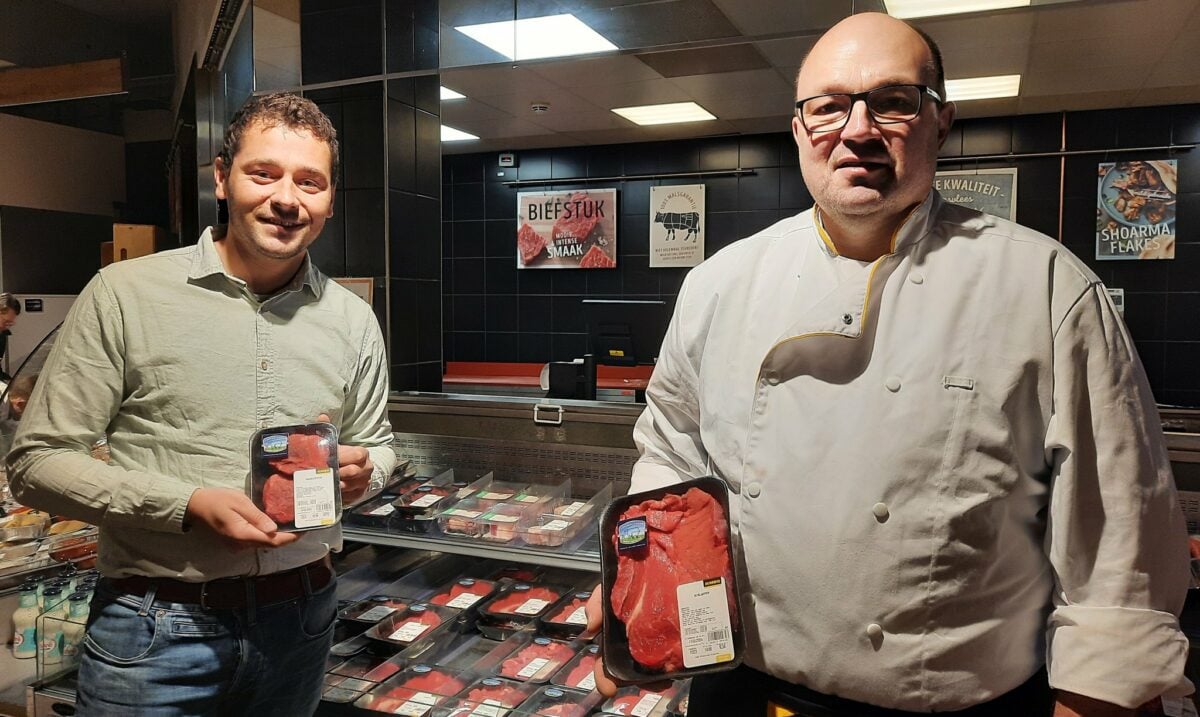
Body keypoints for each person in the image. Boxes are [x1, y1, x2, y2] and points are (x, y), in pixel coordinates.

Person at [586, 12, 1190, 717]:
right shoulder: (720, 283)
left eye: (894, 101)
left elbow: (1118, 554)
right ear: (798, 129)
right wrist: (651, 593)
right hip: (739, 690)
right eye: (828, 107)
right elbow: (672, 453)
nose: (858, 130)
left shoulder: (1046, 288)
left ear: (942, 123)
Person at [7, 92, 397, 716]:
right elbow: (36, 463)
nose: (287, 199)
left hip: (302, 621)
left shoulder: (353, 319)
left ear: (329, 199)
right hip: (154, 628)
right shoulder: (124, 294)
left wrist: (364, 474)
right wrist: (186, 505)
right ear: (221, 177)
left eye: (310, 182)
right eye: (263, 173)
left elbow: (377, 444)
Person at [0, 292, 21, 382]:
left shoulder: (2, 335)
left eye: (10, 323)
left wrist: (11, 383)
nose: (7, 326)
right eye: (6, 322)